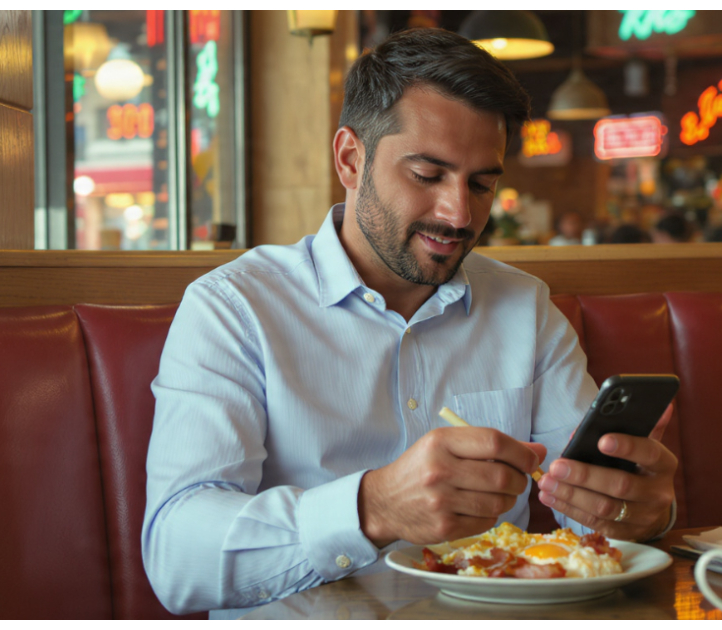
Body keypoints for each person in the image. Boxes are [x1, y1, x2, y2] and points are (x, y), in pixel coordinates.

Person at [142, 28, 678, 618]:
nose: (459, 213)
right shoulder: (234, 308)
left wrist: (636, 510)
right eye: (427, 175)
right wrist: (372, 509)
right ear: (351, 158)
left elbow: (589, 509)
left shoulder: (525, 308)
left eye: (482, 183)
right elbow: (176, 558)